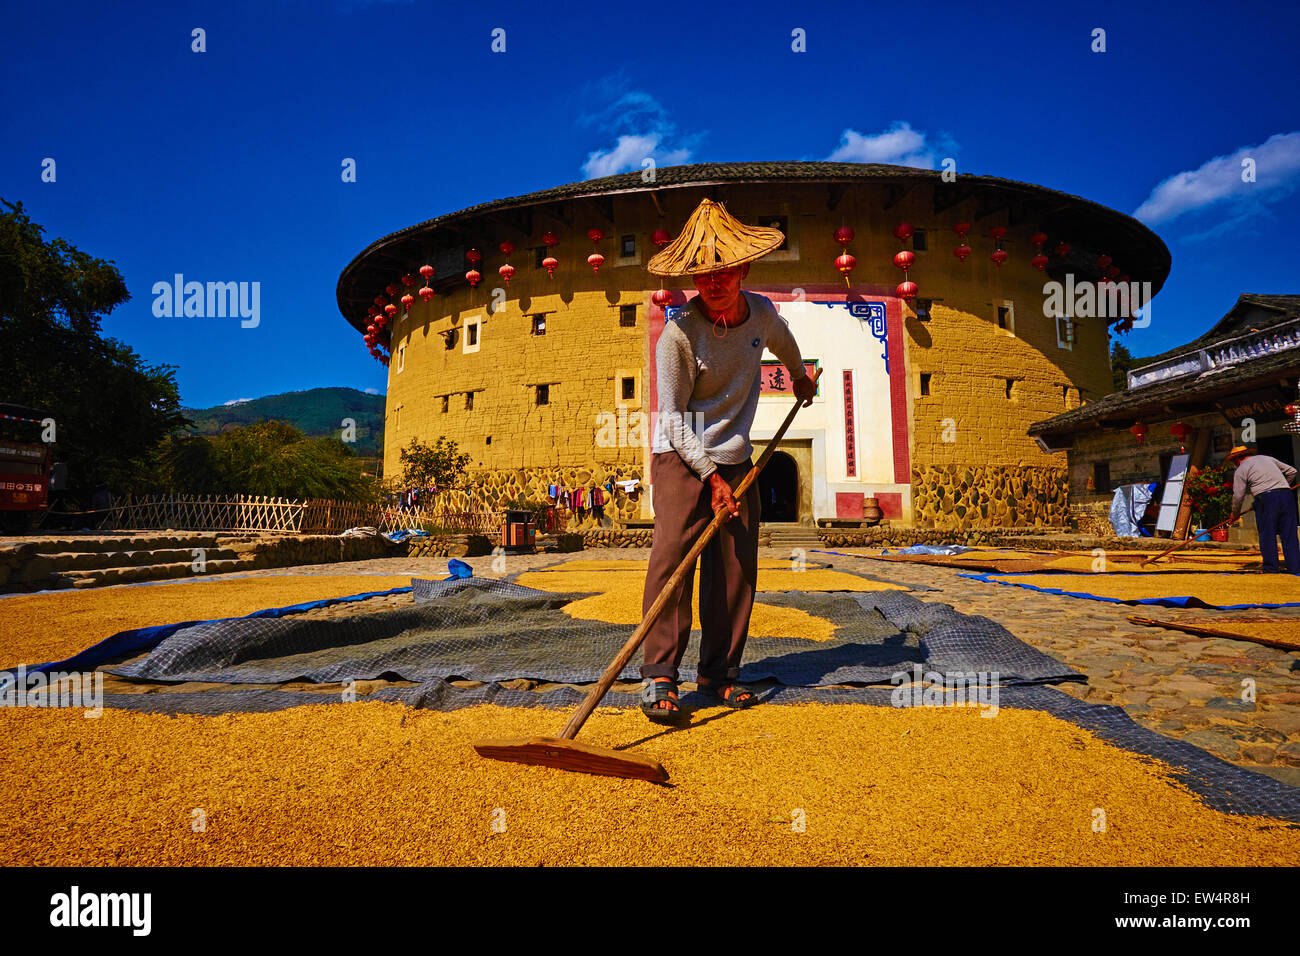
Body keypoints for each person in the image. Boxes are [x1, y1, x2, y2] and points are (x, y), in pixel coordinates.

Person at [637, 198, 816, 724]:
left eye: (724, 272)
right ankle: (659, 677)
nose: (713, 283)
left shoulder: (761, 314)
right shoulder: (678, 335)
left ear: (742, 270)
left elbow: (784, 343)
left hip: (736, 458)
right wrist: (709, 476)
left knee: (735, 570)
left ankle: (718, 675)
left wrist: (800, 376)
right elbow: (670, 418)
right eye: (703, 274)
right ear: (693, 277)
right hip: (680, 456)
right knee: (674, 561)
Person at [1226, 444, 1299, 573]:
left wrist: (1235, 514)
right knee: (1289, 534)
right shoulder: (1267, 458)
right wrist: (1281, 486)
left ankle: (1270, 568)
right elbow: (1292, 471)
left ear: (1237, 459)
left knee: (1267, 533)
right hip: (1286, 495)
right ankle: (1295, 567)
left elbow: (1238, 496)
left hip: (1267, 499)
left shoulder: (1241, 469)